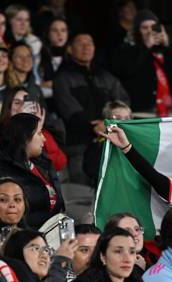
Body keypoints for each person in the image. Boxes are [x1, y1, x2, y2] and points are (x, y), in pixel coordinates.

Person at [53, 33, 129, 183]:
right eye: (80, 43)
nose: (86, 47)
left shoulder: (105, 75)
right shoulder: (62, 78)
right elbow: (69, 110)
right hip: (79, 148)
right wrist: (95, 125)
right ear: (69, 49)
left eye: (90, 43)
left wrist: (107, 123)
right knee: (82, 197)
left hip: (111, 144)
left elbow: (123, 101)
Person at [0, 113, 65, 228]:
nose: (44, 138)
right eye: (39, 133)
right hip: (20, 240)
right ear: (25, 138)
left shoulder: (42, 164)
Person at [111, 9, 172, 116]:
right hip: (143, 111)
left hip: (171, 111)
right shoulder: (127, 49)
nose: (149, 31)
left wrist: (168, 44)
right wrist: (146, 46)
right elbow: (126, 70)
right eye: (144, 28)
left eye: (153, 27)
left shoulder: (165, 49)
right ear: (137, 30)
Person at [0, 87, 67, 171]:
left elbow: (60, 163)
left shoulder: (40, 130)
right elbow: (11, 158)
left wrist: (38, 129)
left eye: (26, 103)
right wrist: (19, 121)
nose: (22, 107)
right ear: (8, 107)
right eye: (17, 103)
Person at [4, 229, 77, 282]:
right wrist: (60, 262)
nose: (44, 255)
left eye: (46, 250)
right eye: (36, 248)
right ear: (17, 253)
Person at [4, 4, 42, 76]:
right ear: (9, 21)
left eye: (27, 20)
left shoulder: (35, 42)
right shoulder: (2, 42)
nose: (23, 24)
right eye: (19, 20)